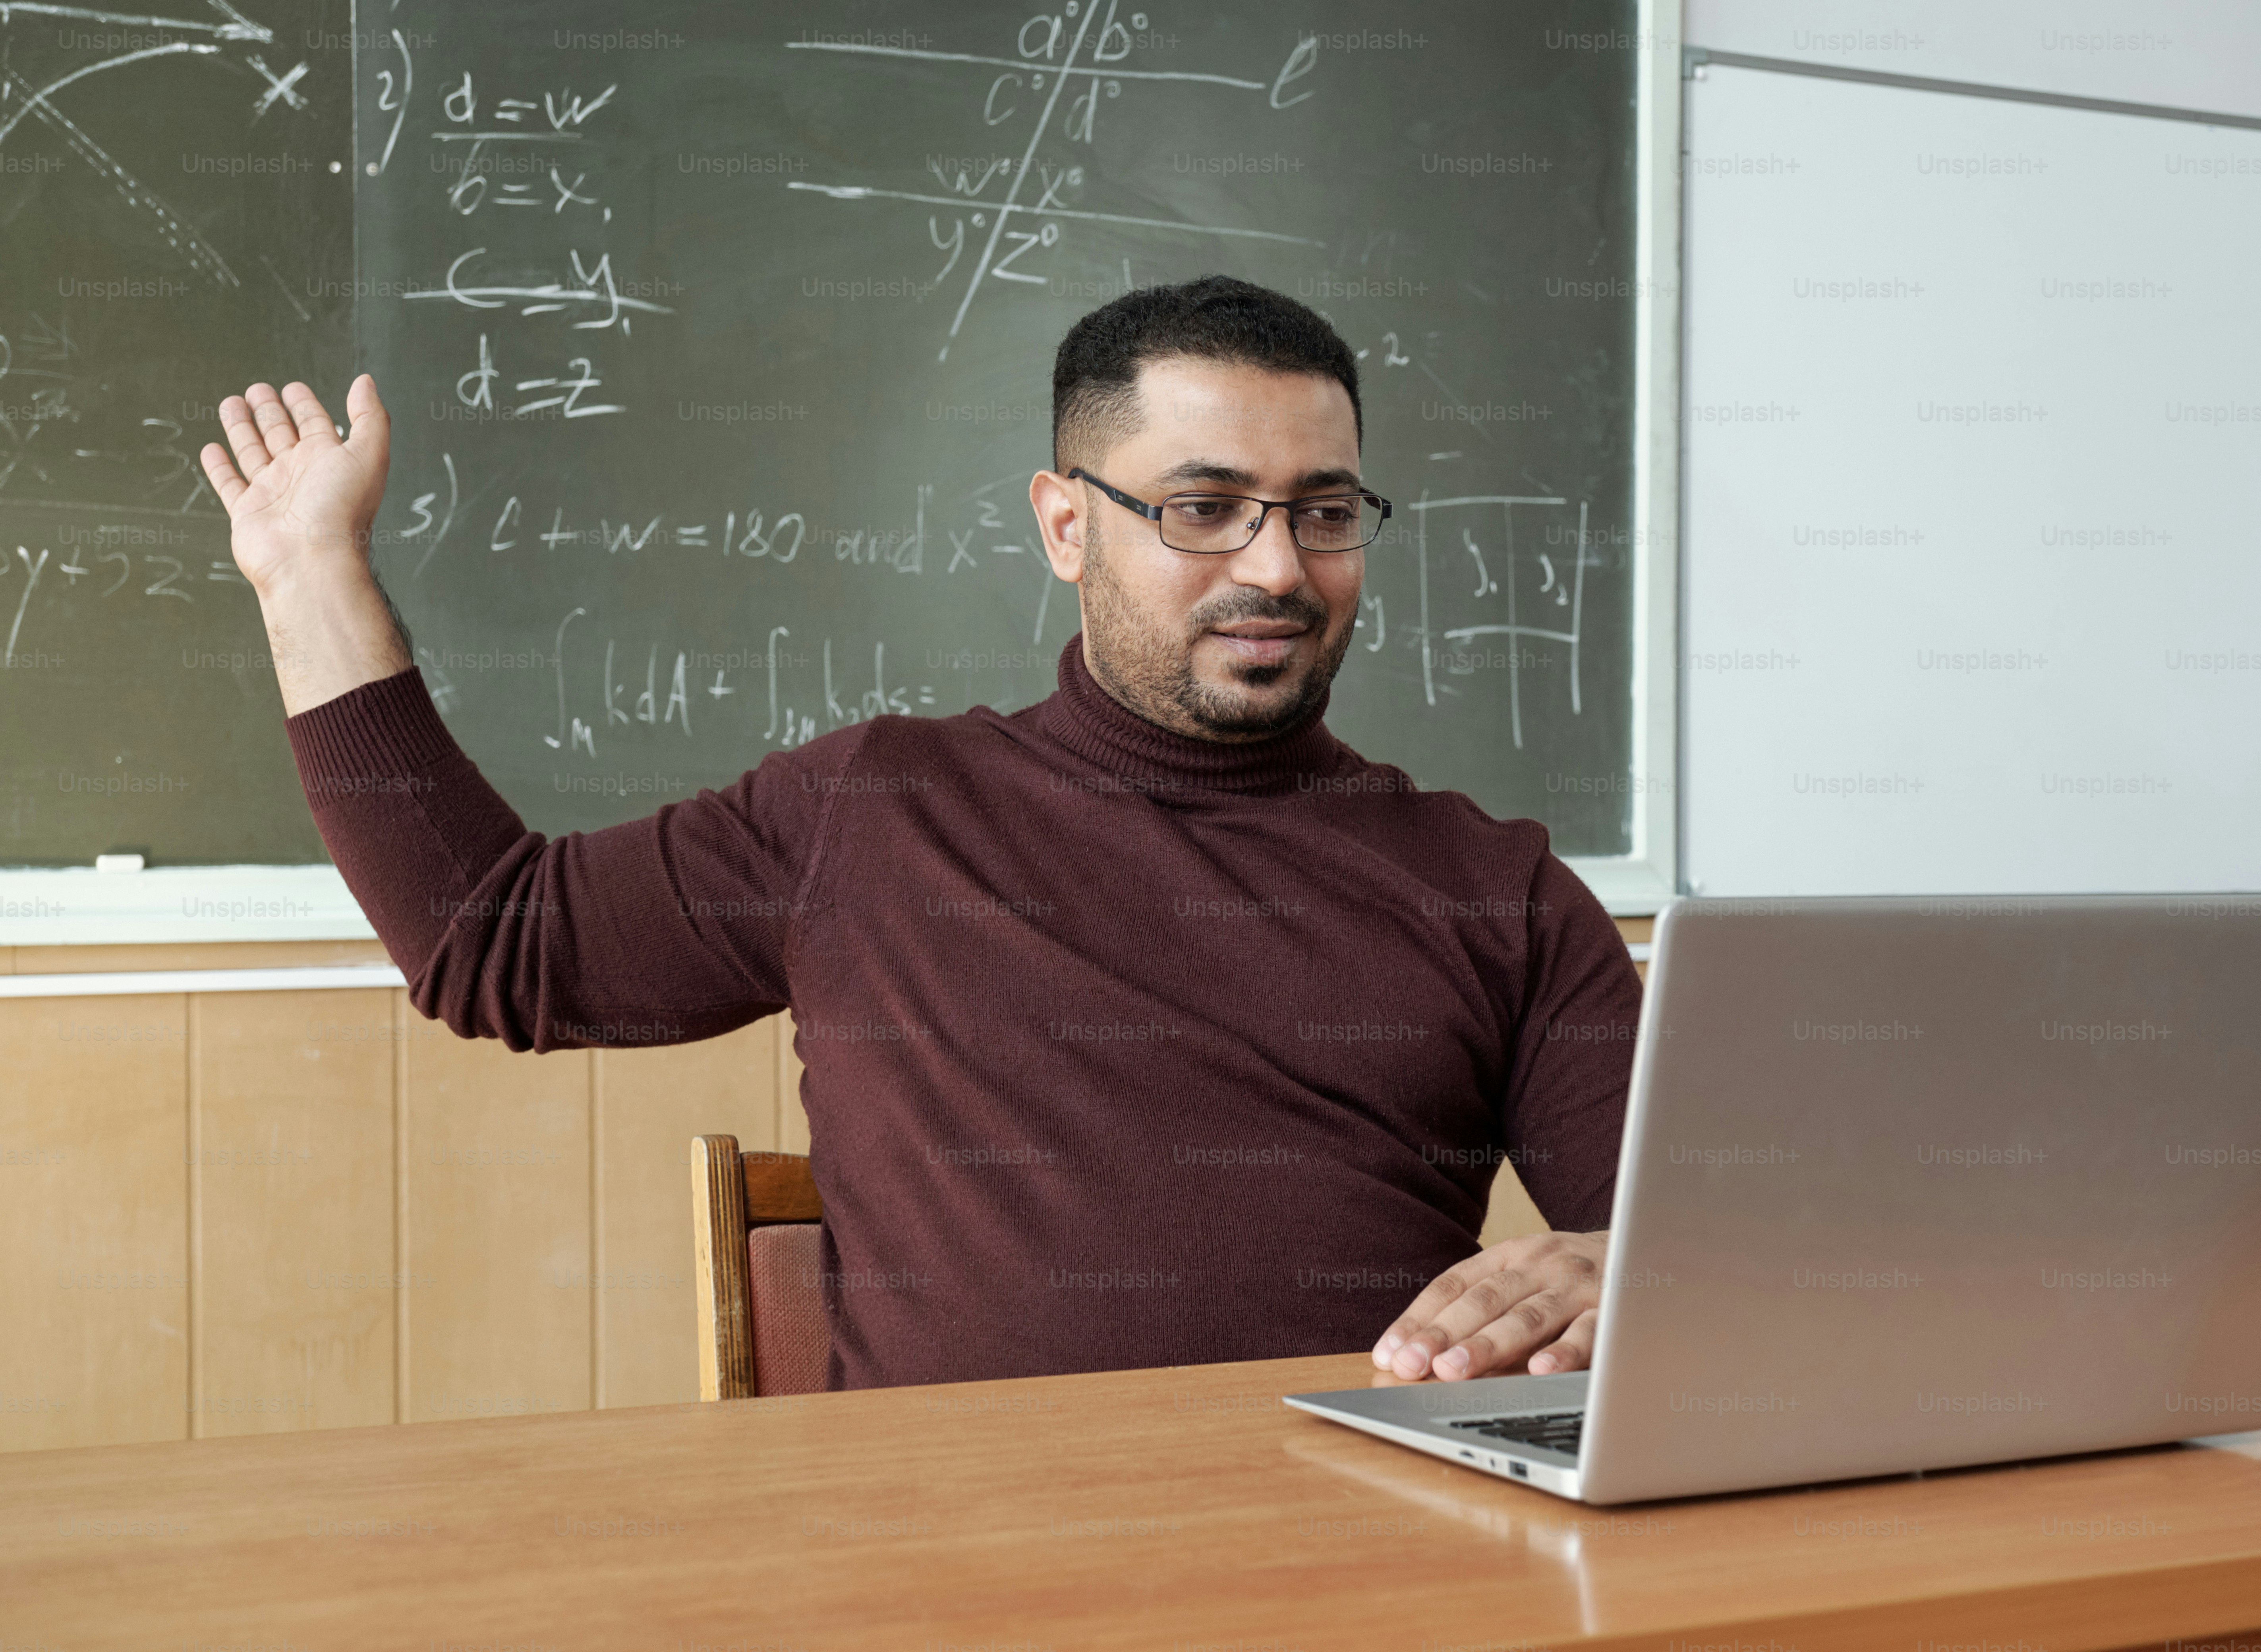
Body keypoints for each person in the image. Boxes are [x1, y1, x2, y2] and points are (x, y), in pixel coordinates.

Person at [201, 274, 1640, 1391]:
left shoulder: (1494, 887)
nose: (1276, 566)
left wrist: (1619, 1269)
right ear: (1066, 526)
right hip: (947, 1570)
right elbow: (489, 942)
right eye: (1204, 509)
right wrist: (305, 574)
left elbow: (1700, 1250)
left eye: (1323, 512)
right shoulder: (872, 812)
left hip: (1365, 1569)